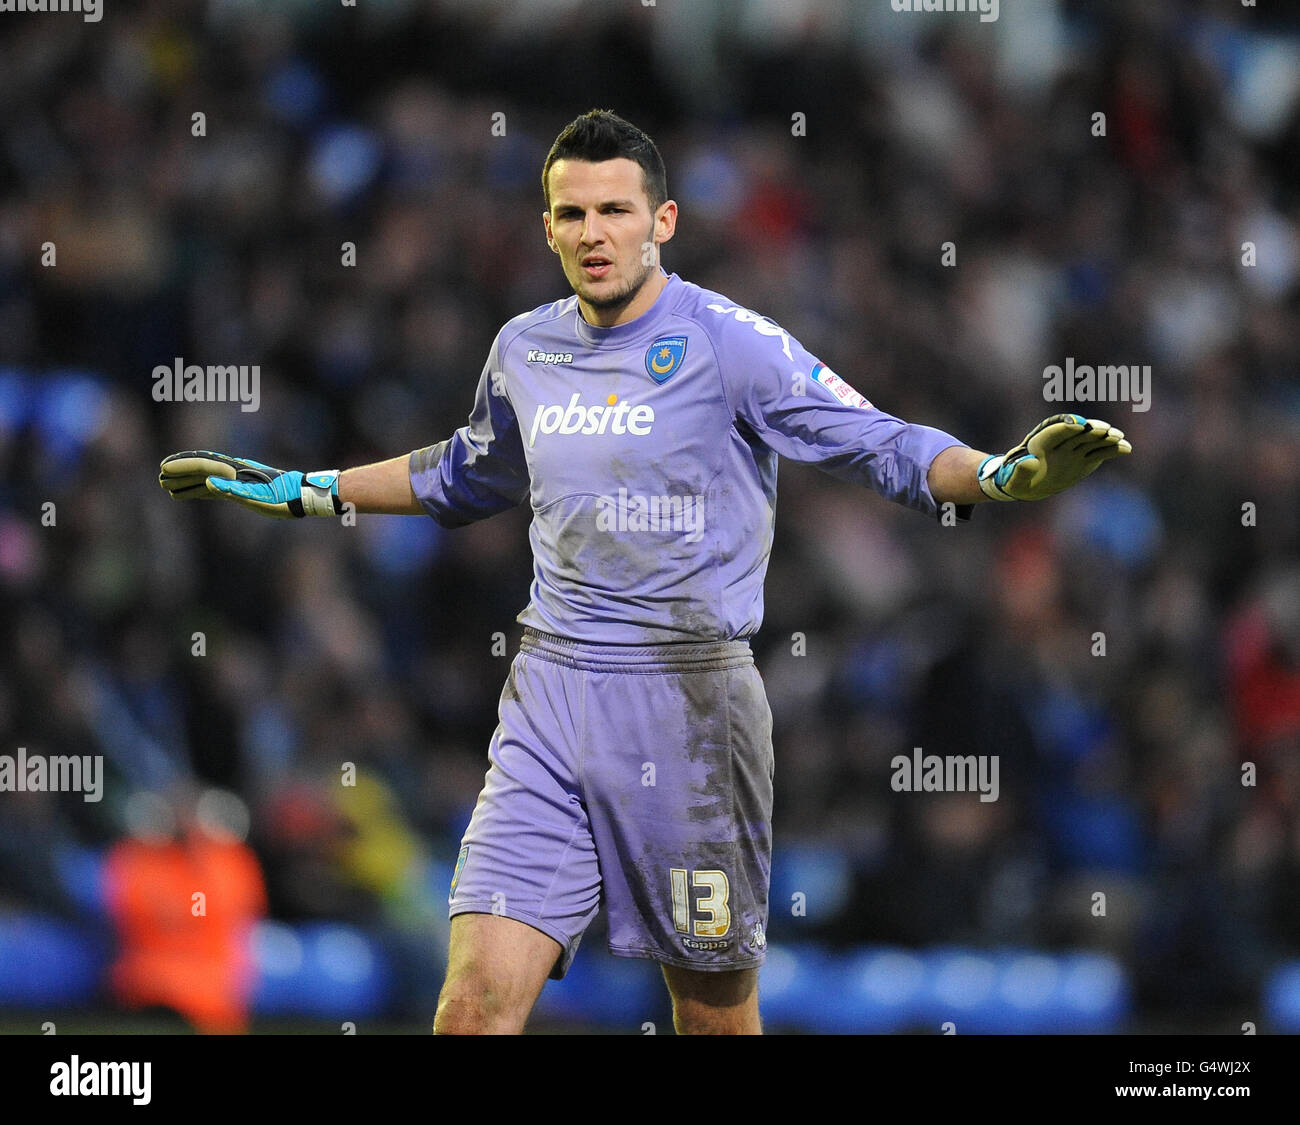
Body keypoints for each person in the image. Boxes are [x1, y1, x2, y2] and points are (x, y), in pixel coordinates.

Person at [159, 109, 1132, 1034]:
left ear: (662, 221)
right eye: (572, 213)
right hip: (548, 703)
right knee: (473, 1003)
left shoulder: (731, 344)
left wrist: (999, 476)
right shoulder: (524, 350)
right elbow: (461, 472)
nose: (594, 232)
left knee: (711, 1017)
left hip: (692, 712)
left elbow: (881, 442)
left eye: (615, 210)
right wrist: (307, 489)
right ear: (547, 227)